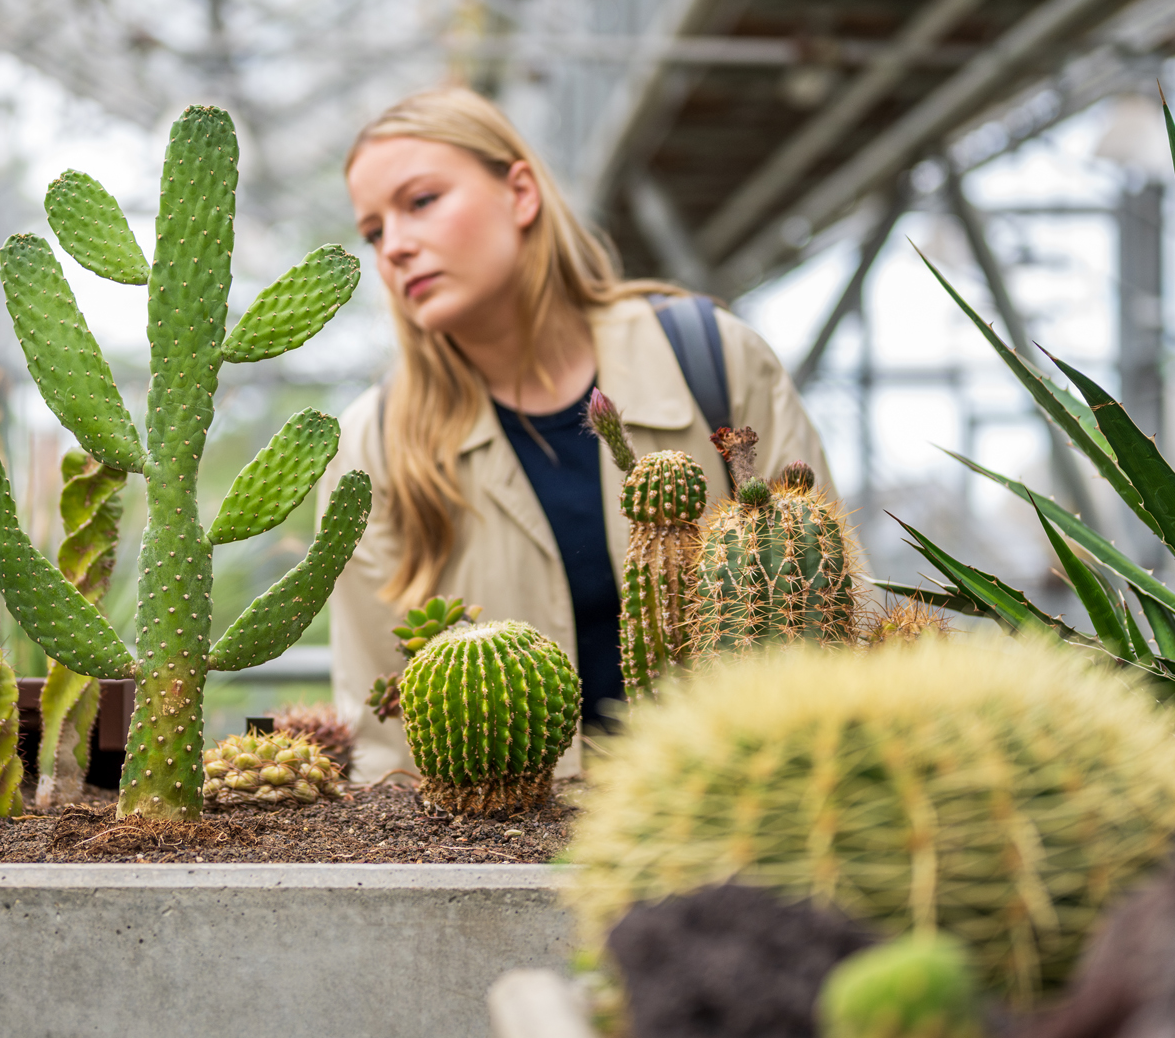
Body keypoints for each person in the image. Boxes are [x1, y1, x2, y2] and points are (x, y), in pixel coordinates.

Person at [318, 88, 839, 783]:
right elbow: (380, 743)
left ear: (521, 193)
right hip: (493, 839)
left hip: (735, 806)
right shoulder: (372, 444)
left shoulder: (714, 360)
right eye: (374, 232)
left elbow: (824, 608)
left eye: (421, 201)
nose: (396, 248)